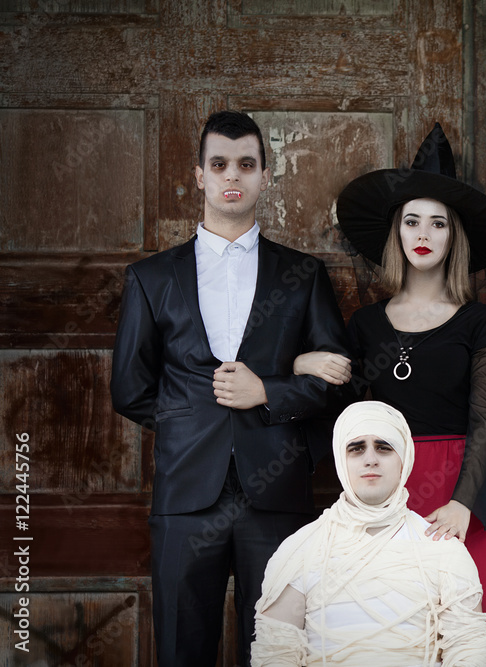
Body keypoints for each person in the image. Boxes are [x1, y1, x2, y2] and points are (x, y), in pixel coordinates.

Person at [110, 110, 356, 666]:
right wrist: (193, 421)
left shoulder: (303, 274)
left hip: (276, 492)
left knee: (275, 650)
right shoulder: (151, 277)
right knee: (181, 648)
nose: (232, 176)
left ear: (265, 176)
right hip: (185, 493)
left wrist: (268, 391)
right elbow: (129, 389)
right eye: (219, 164)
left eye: (246, 164)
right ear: (200, 175)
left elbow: (337, 383)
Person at [294, 123, 486, 664]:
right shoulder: (366, 323)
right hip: (388, 484)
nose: (424, 233)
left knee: (467, 630)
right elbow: (342, 413)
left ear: (453, 236)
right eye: (412, 220)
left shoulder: (480, 322)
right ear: (396, 231)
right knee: (395, 631)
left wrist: (463, 503)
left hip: (461, 486)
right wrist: (301, 364)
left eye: (438, 223)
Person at [251, 400, 486, 665]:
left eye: (383, 448)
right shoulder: (299, 551)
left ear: (404, 460)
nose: (370, 460)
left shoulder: (443, 548)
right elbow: (276, 654)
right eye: (356, 449)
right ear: (340, 460)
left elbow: (467, 648)